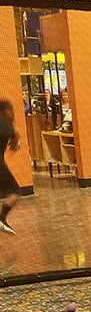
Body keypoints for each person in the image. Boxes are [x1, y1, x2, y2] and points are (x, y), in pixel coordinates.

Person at [0, 99, 21, 235]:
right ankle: (1, 217)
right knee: (15, 191)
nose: (12, 113)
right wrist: (16, 138)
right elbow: (15, 142)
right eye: (10, 110)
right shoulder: (5, 124)